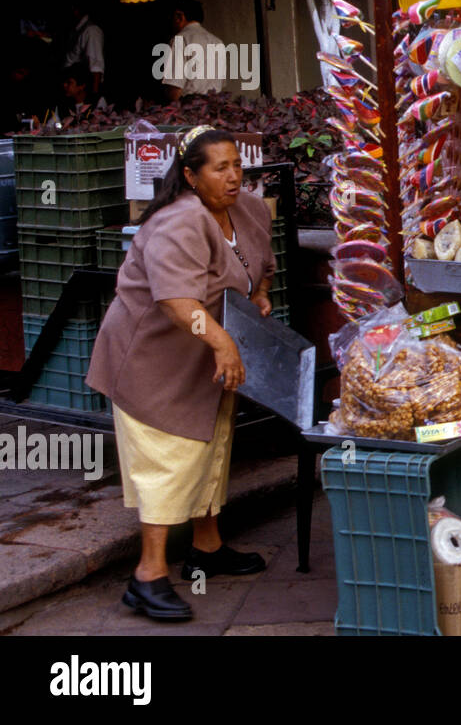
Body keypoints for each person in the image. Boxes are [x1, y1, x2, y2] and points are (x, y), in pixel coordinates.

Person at [86, 125, 276, 621]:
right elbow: (175, 300)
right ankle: (148, 575)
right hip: (154, 357)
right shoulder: (177, 221)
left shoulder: (249, 209)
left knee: (210, 448)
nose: (234, 176)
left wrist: (257, 295)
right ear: (191, 176)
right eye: (220, 168)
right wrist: (222, 341)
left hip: (205, 355)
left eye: (237, 165)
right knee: (169, 459)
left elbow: (260, 265)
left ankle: (207, 548)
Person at [158, 0, 228, 101]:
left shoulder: (180, 39)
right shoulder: (217, 41)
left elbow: (174, 88)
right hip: (214, 108)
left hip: (189, 109)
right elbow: (221, 84)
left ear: (179, 16)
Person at [63, 2, 105, 95]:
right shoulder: (75, 30)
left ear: (76, 10)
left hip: (82, 90)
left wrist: (93, 95)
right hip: (71, 88)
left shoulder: (91, 31)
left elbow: (96, 67)